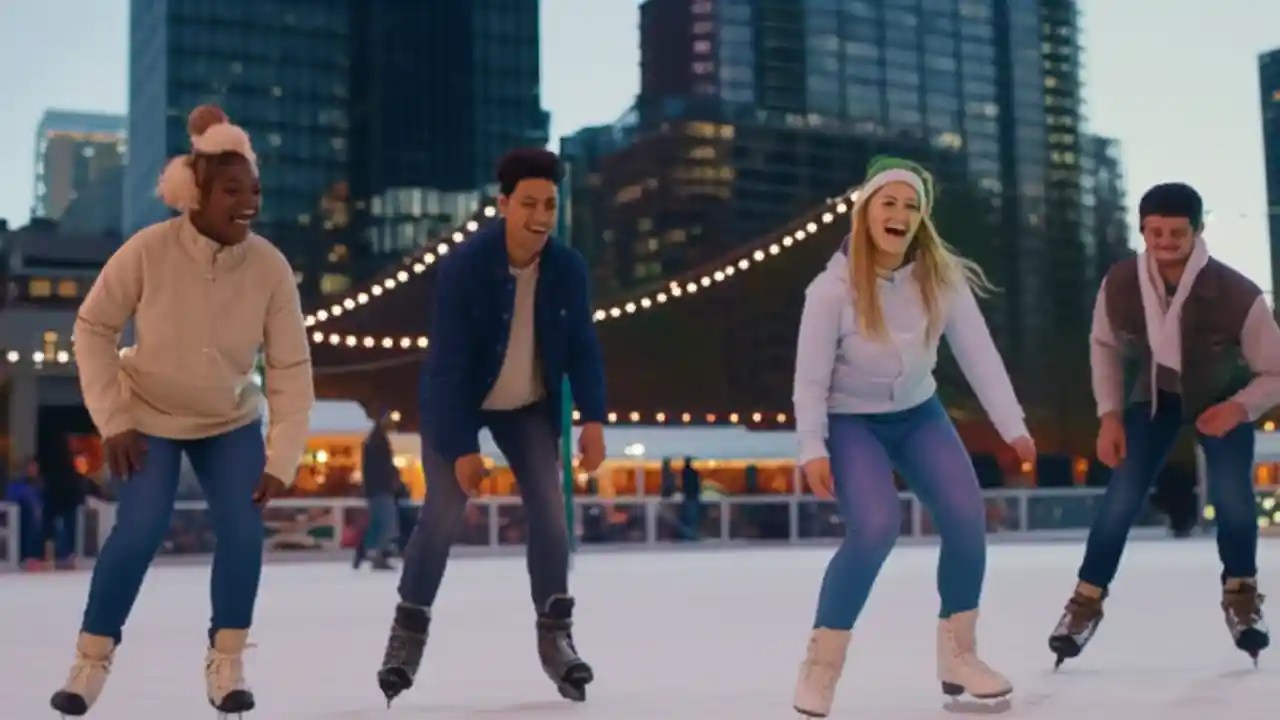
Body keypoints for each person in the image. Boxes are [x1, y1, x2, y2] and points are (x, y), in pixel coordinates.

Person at [49, 104, 314, 717]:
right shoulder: (150, 250)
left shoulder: (270, 267)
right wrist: (114, 418)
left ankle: (227, 662)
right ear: (194, 192)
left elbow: (290, 367)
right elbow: (92, 327)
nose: (247, 201)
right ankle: (90, 662)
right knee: (139, 529)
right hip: (148, 417)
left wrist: (283, 455)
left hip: (229, 421)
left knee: (244, 532)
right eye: (231, 189)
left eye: (254, 189)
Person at [790, 156, 1036, 718]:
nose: (899, 214)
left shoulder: (939, 281)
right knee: (875, 528)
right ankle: (821, 667)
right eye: (888, 203)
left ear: (921, 219)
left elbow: (980, 356)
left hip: (920, 414)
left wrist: (1013, 426)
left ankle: (959, 656)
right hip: (852, 421)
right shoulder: (830, 291)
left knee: (966, 516)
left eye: (911, 206)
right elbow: (808, 380)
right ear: (866, 212)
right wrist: (812, 447)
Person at [377, 148, 607, 705]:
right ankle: (407, 633)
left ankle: (556, 636)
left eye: (550, 204)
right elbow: (449, 367)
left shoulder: (568, 269)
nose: (541, 216)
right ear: (502, 204)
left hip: (527, 406)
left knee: (551, 510)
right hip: (459, 403)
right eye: (528, 203)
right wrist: (459, 448)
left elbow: (582, 348)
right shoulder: (464, 268)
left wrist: (594, 417)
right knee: (445, 510)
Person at [1049, 182, 1278, 668]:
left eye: (1177, 232)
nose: (1166, 242)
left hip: (1221, 398)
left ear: (1198, 230)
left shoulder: (1237, 293)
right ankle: (1084, 604)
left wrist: (1238, 408)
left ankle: (1242, 597)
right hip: (1155, 399)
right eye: (1155, 232)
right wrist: (1109, 415)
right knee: (1121, 498)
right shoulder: (1121, 282)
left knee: (1233, 497)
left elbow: (1276, 370)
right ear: (1142, 230)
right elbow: (1104, 346)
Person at [354, 410, 401, 571]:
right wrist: (391, 478)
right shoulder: (376, 442)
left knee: (378, 523)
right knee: (385, 522)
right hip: (380, 489)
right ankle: (376, 555)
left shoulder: (375, 441)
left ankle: (368, 553)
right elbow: (378, 468)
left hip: (378, 488)